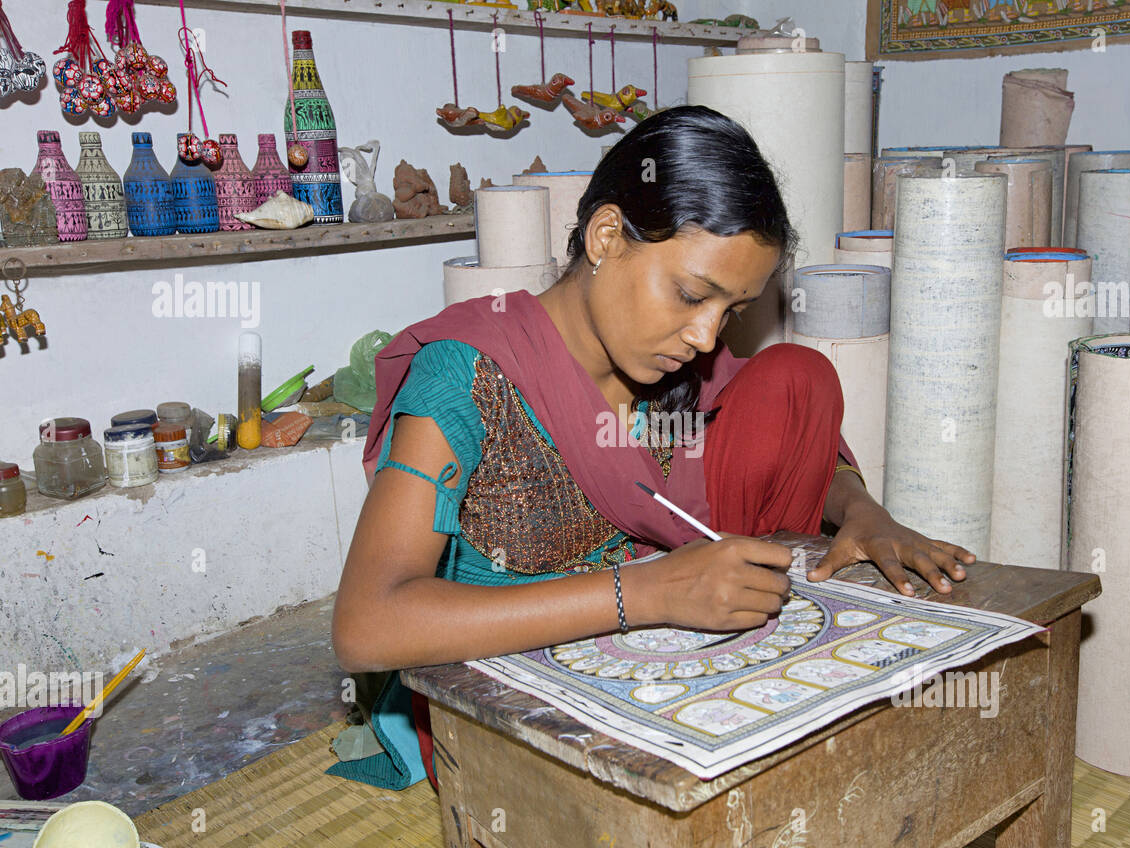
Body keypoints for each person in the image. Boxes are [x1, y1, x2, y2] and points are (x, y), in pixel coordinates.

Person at [332, 107, 975, 780]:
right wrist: (643, 594)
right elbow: (365, 624)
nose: (705, 335)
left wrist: (860, 510)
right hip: (518, 704)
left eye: (730, 312)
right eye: (692, 294)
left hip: (669, 659)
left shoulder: (671, 366)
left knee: (794, 377)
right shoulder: (466, 376)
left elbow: (772, 431)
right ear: (607, 235)